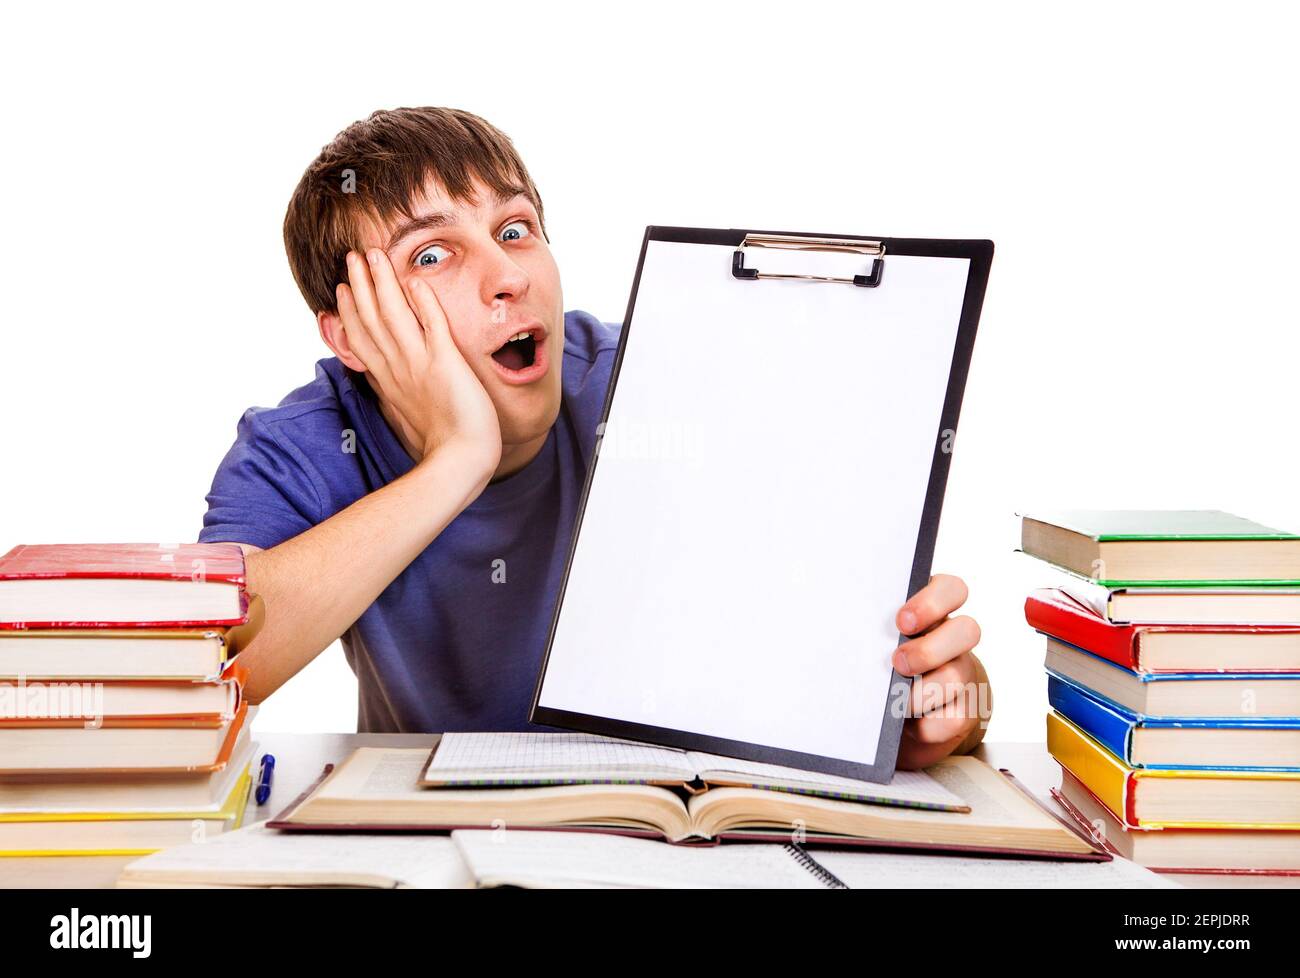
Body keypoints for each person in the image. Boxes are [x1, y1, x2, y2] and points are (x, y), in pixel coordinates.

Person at [199, 106, 990, 769]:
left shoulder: (654, 385)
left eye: (515, 229)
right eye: (433, 253)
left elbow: (839, 659)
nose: (508, 276)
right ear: (353, 336)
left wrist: (930, 710)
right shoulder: (301, 444)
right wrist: (457, 461)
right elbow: (210, 668)